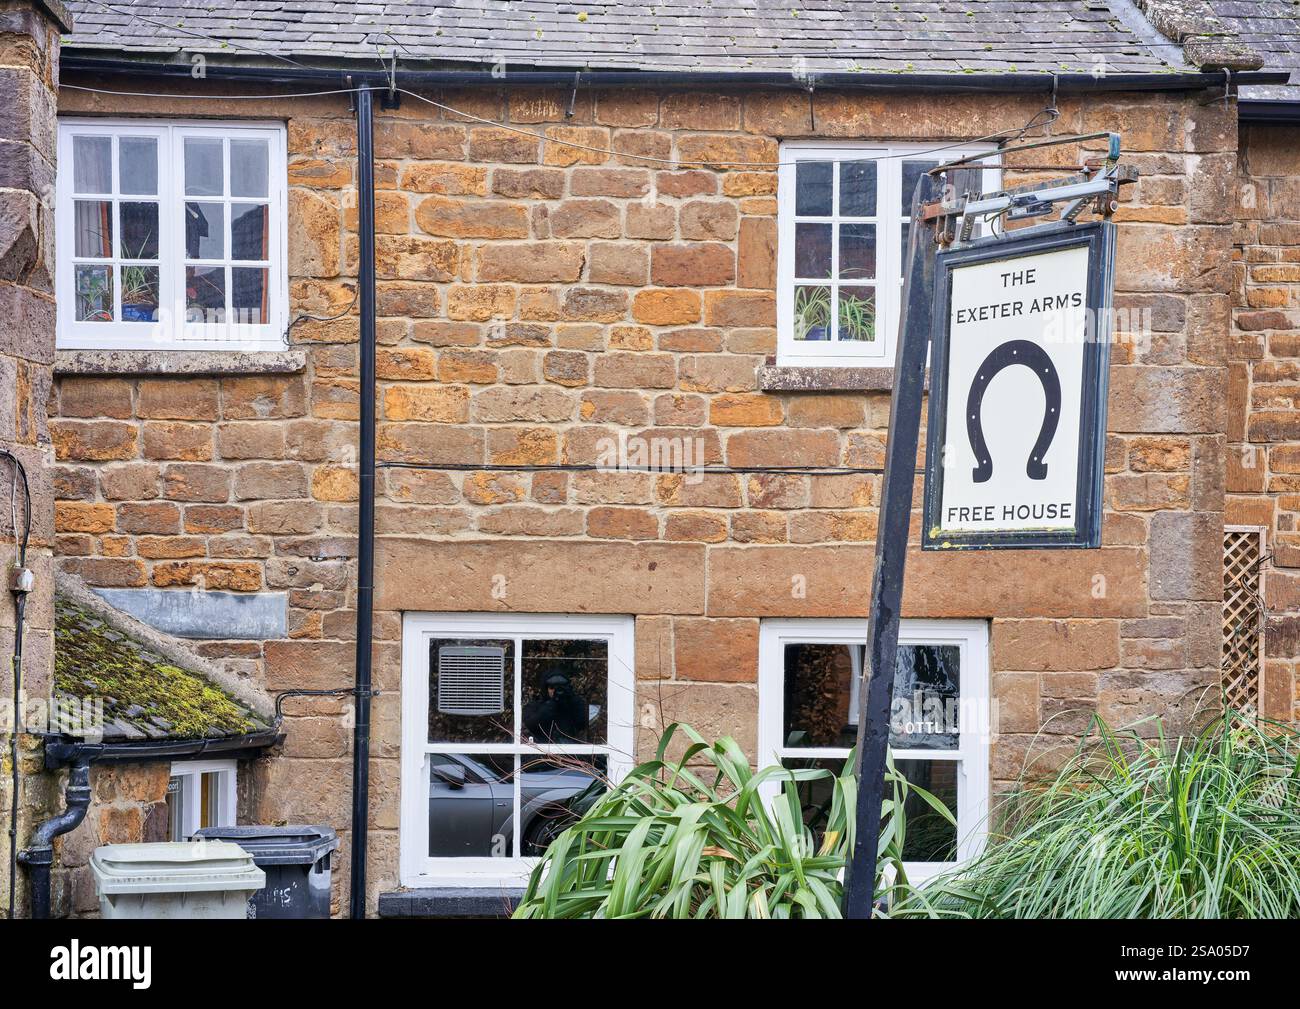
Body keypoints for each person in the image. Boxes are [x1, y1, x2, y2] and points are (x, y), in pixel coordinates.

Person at [523, 672, 587, 743]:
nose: (556, 690)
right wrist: (551, 704)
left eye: (561, 687)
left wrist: (570, 699)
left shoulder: (574, 703)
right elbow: (531, 724)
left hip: (570, 748)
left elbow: (582, 724)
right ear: (546, 689)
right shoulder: (536, 705)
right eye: (552, 687)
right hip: (543, 748)